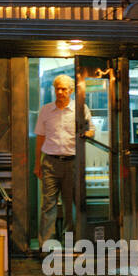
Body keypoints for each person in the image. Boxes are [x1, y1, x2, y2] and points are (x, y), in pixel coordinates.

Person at [32, 74, 96, 248]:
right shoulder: (45, 110)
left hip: (72, 162)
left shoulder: (80, 108)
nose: (60, 92)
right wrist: (37, 164)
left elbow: (91, 130)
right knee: (48, 205)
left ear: (71, 91)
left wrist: (86, 133)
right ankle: (47, 244)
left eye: (63, 89)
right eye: (57, 89)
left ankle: (70, 243)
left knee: (71, 205)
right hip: (50, 162)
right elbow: (40, 138)